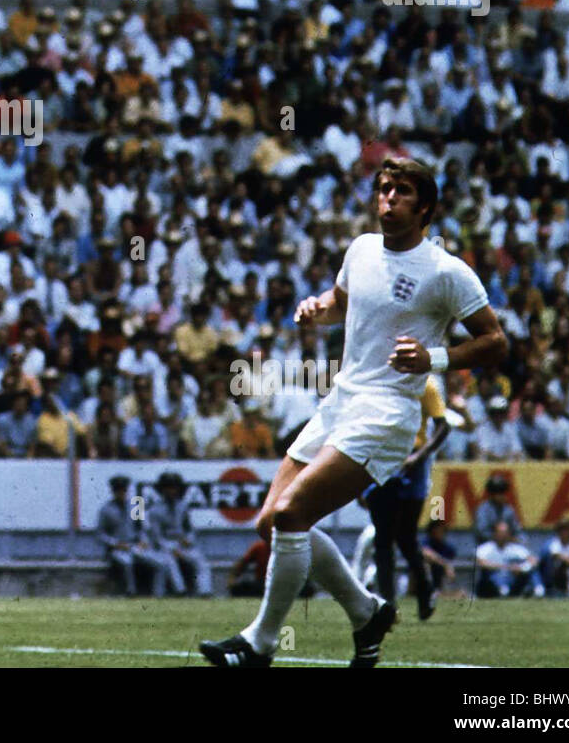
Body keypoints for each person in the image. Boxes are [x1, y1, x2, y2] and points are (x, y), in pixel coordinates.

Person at [200, 157, 507, 668]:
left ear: (424, 206)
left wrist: (434, 359)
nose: (388, 198)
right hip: (340, 399)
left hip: (386, 412)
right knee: (270, 524)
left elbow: (496, 342)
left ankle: (260, 643)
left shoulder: (446, 272)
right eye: (384, 189)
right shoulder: (361, 249)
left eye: (402, 191)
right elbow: (341, 301)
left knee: (292, 514)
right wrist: (317, 308)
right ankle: (366, 612)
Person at [365, 372, 450, 620]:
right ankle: (387, 604)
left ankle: (424, 589)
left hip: (413, 459)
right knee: (383, 536)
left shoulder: (426, 385)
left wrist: (420, 456)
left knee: (405, 535)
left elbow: (443, 426)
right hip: (383, 457)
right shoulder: (380, 382)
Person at [96, 475, 172, 597]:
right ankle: (131, 593)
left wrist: (143, 540)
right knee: (127, 563)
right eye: (118, 490)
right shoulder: (106, 509)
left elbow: (141, 528)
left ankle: (159, 594)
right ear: (113, 491)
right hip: (117, 549)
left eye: (123, 490)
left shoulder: (134, 506)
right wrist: (116, 543)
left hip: (134, 546)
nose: (121, 493)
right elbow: (100, 535)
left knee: (160, 563)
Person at [147, 471, 212, 596]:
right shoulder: (155, 510)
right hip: (165, 546)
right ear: (162, 490)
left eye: (174, 487)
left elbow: (190, 529)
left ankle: (205, 592)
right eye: (168, 487)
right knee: (170, 561)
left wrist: (189, 540)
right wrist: (171, 549)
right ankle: (180, 591)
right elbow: (156, 537)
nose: (172, 491)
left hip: (182, 544)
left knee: (200, 560)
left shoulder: (182, 506)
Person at [475, 519, 542, 598]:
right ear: (494, 534)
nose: (503, 535)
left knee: (532, 571)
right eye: (500, 532)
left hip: (515, 578)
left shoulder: (515, 548)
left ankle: (538, 589)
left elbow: (533, 560)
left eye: (505, 532)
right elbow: (481, 562)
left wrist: (521, 568)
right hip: (494, 579)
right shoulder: (485, 548)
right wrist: (506, 567)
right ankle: (503, 590)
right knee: (496, 575)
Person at [473, 473, 521, 543]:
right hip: (487, 545)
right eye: (497, 492)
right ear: (491, 494)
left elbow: (517, 530)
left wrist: (520, 539)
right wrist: (499, 537)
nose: (501, 495)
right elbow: (482, 532)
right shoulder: (483, 510)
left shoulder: (508, 510)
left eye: (502, 492)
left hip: (507, 545)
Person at [420, 521, 457, 595]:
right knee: (424, 564)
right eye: (436, 529)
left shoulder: (447, 548)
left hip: (439, 578)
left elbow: (451, 564)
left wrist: (447, 566)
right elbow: (426, 553)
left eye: (441, 530)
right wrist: (445, 565)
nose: (439, 532)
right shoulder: (425, 542)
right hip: (421, 579)